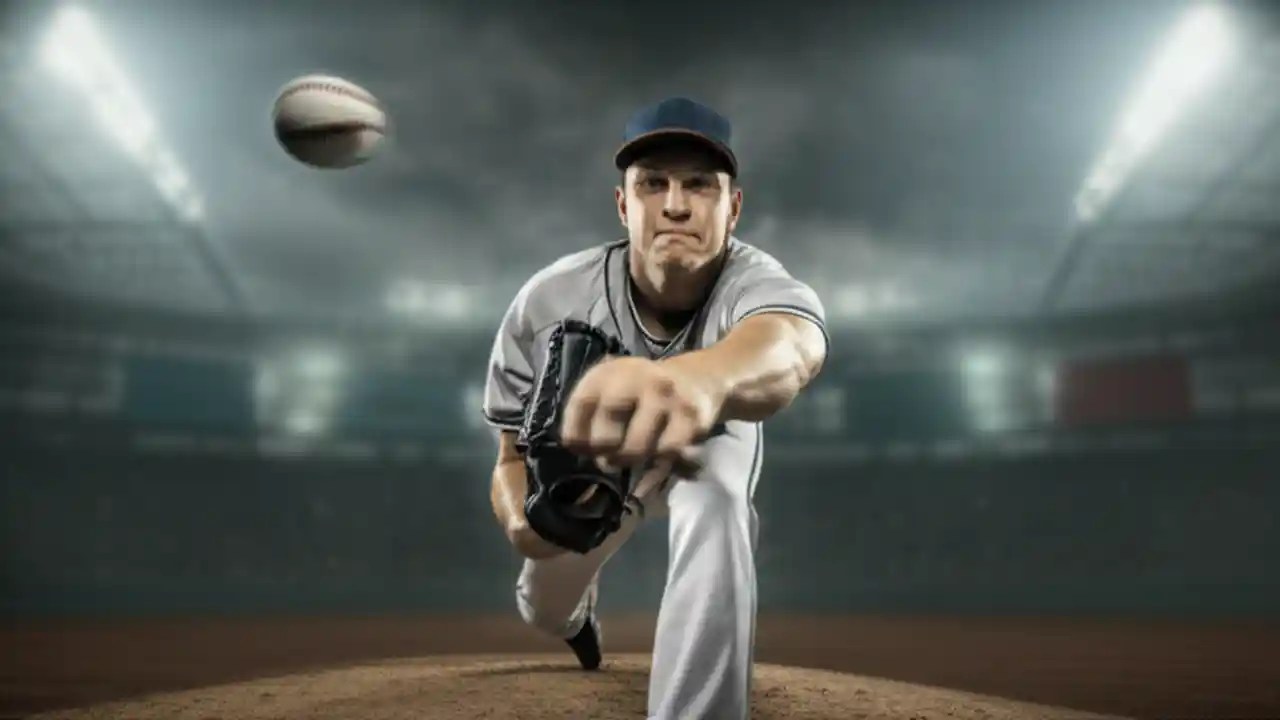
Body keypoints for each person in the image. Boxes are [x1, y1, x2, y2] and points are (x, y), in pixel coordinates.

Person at [481, 96, 829, 719]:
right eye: (653, 184)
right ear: (623, 205)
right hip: (598, 463)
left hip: (707, 439)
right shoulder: (551, 298)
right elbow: (509, 452)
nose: (675, 204)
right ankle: (573, 619)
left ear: (733, 207)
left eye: (699, 184)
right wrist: (520, 523)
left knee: (717, 500)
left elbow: (791, 347)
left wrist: (699, 379)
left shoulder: (754, 281)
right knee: (542, 607)